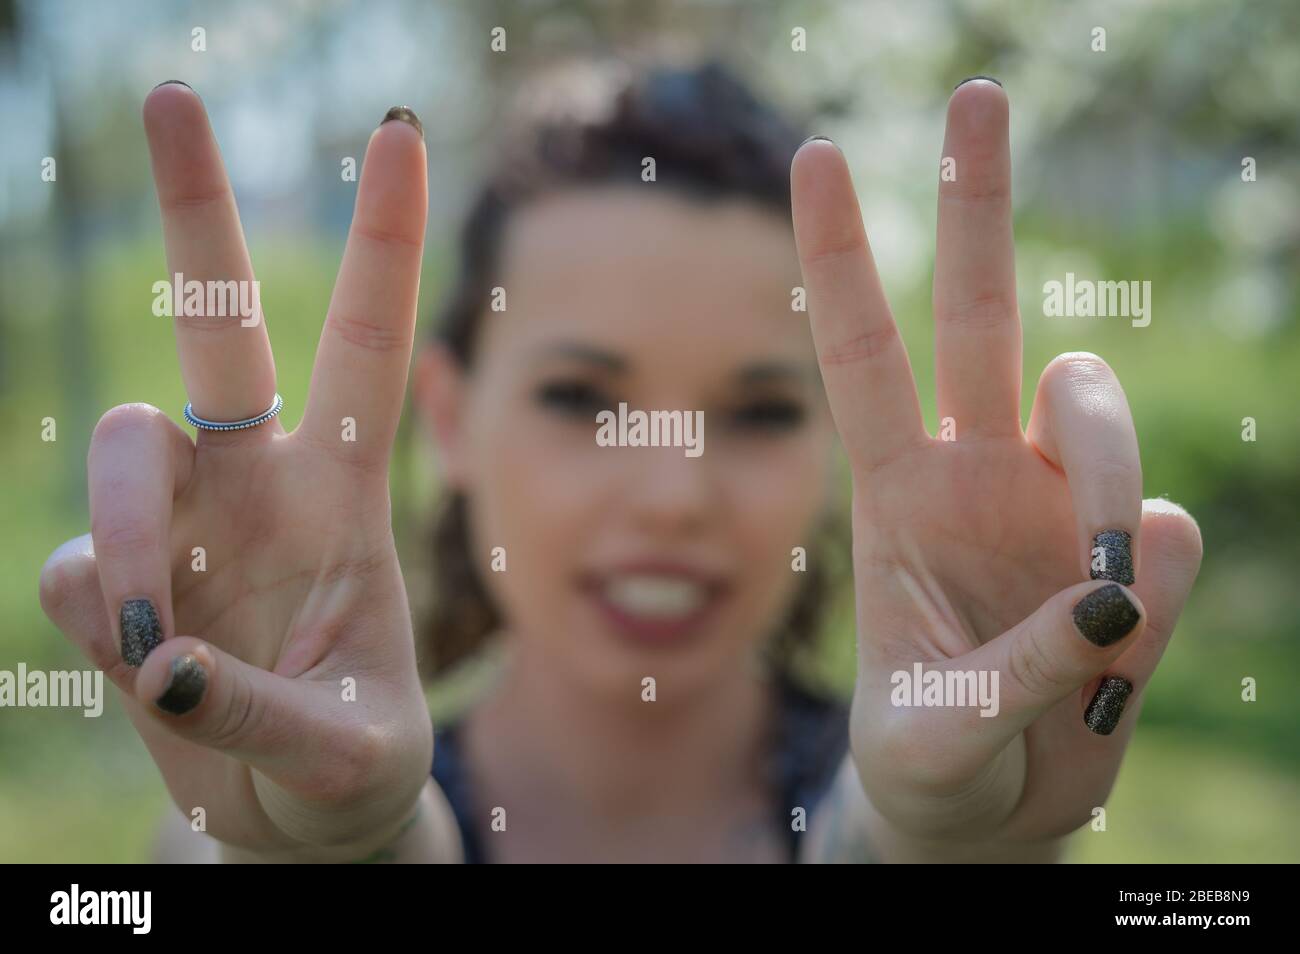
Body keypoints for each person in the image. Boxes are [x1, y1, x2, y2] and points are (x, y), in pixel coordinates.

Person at [37, 61, 1203, 863]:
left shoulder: (916, 788)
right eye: (582, 399)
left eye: (755, 411)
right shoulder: (256, 823)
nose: (672, 492)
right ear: (445, 418)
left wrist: (961, 851)